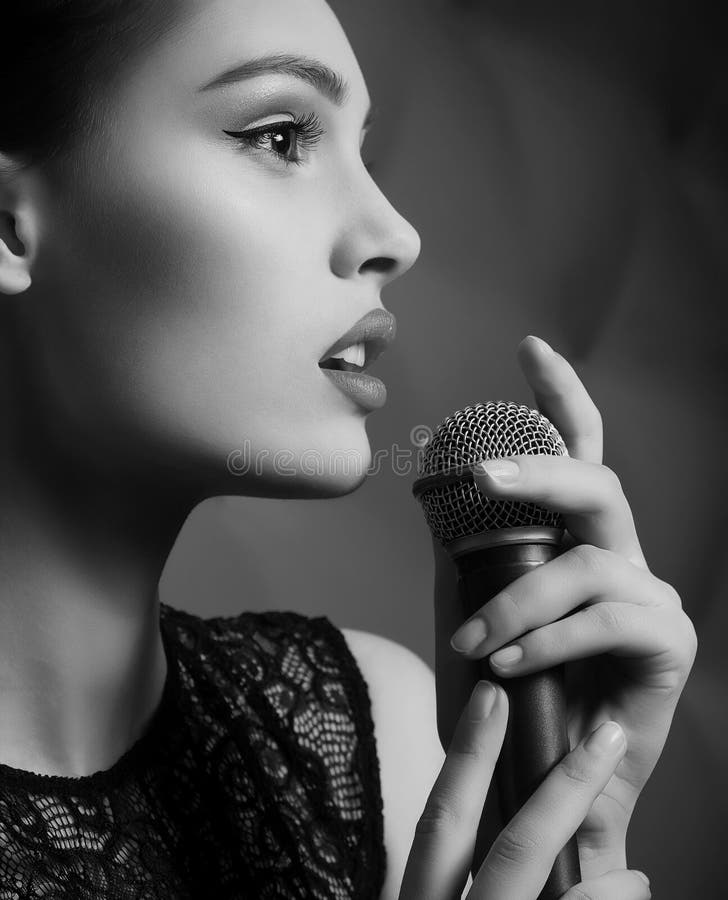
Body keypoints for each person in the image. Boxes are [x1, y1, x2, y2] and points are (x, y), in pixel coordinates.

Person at [0, 1, 696, 897]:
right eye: (283, 136)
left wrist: (570, 821)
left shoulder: (385, 737)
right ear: (13, 225)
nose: (395, 236)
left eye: (360, 148)